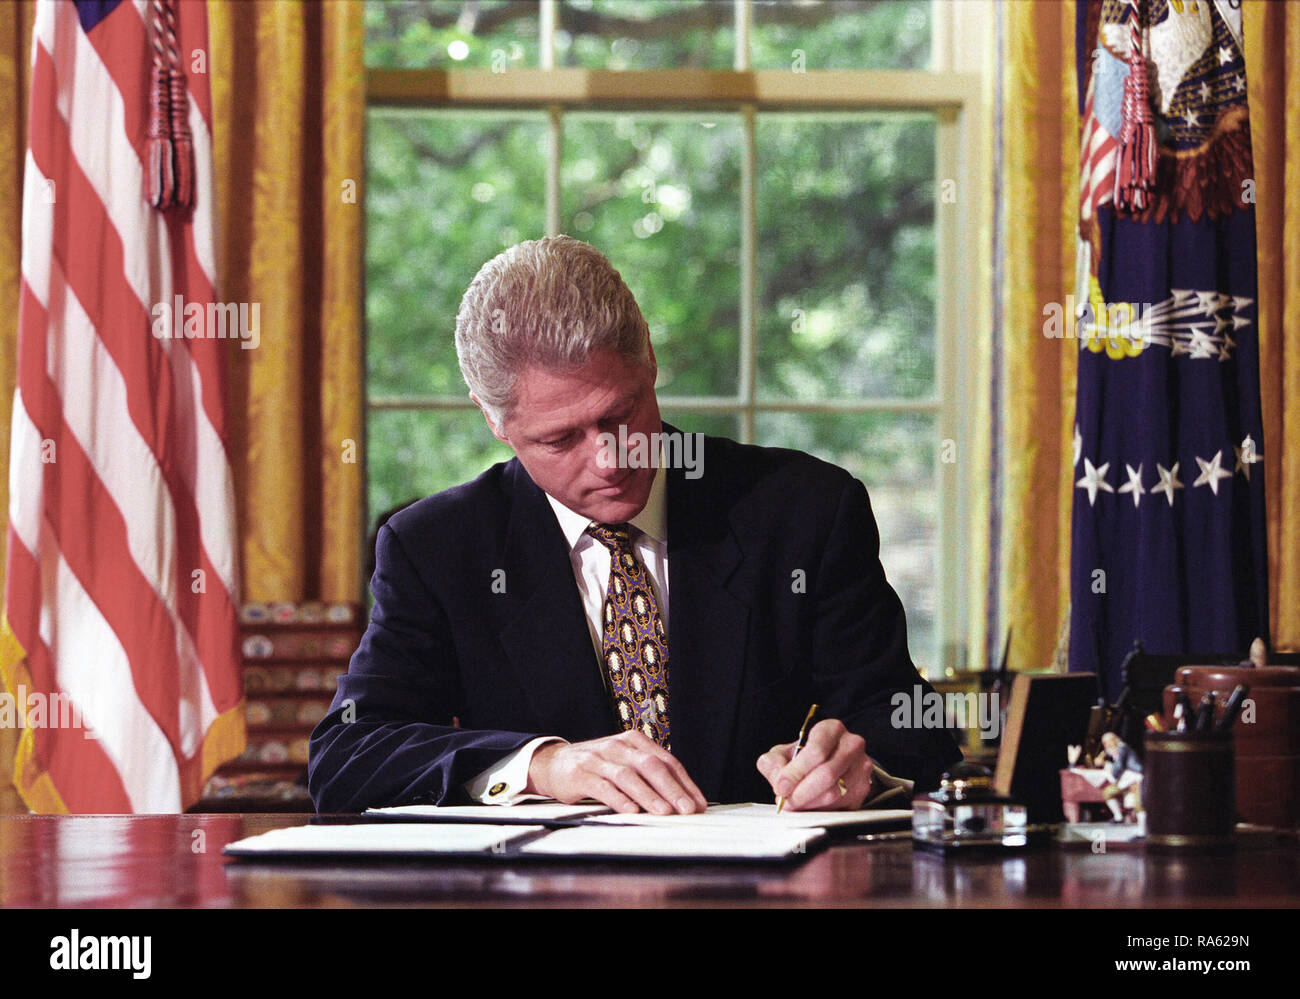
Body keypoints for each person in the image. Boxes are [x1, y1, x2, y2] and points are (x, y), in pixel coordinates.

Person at [308, 236, 961, 815]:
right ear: (493, 420)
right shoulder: (437, 548)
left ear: (648, 357)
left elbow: (917, 723)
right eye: (561, 438)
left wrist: (862, 769)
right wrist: (544, 764)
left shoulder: (804, 510)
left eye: (621, 414)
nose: (613, 461)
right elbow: (347, 752)